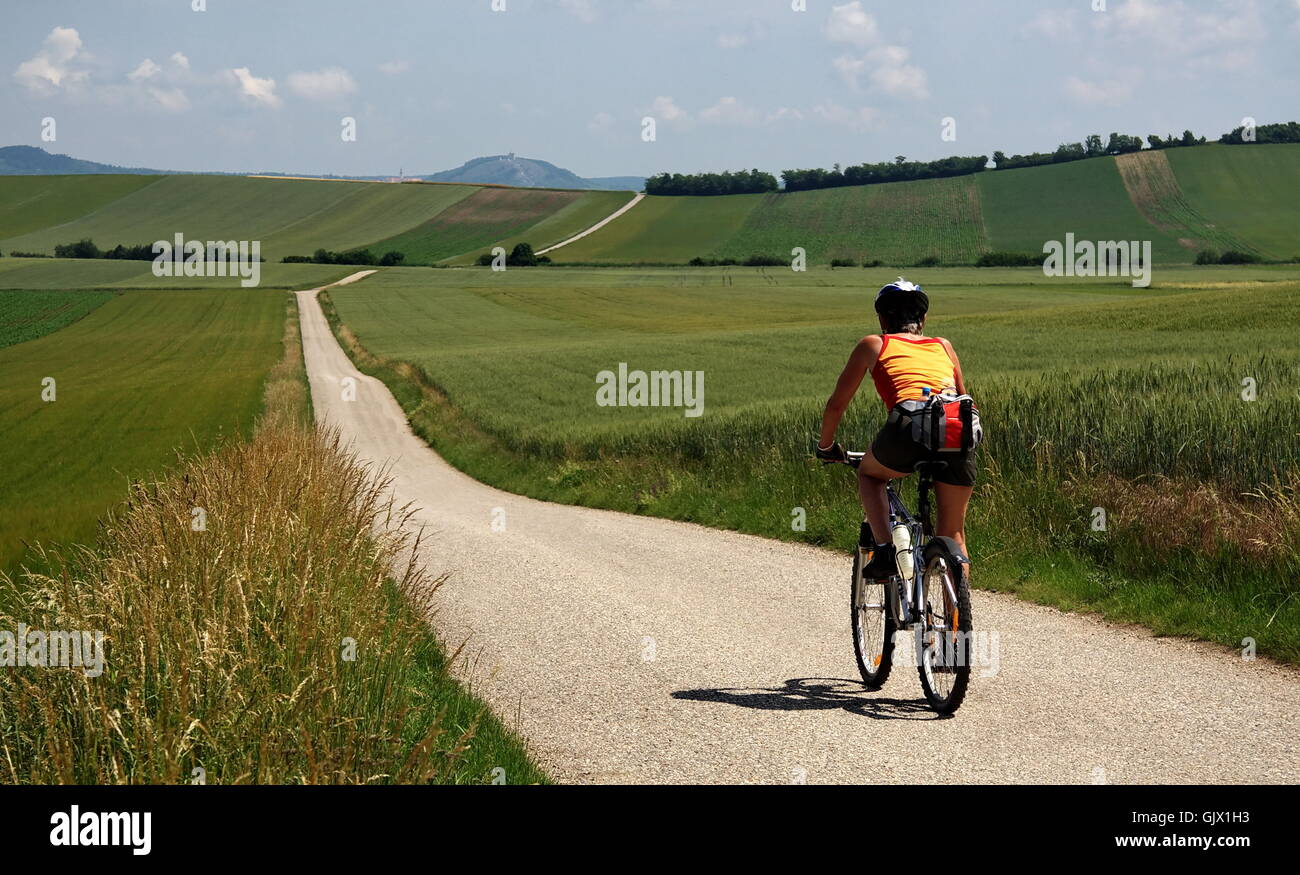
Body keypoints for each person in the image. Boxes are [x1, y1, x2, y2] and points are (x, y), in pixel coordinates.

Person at [815, 278, 975, 580]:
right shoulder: (944, 346)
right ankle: (958, 620)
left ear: (882, 318)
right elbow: (962, 397)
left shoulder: (873, 344)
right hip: (958, 430)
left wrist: (826, 447)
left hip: (908, 427)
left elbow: (836, 405)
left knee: (869, 473)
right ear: (923, 319)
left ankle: (887, 549)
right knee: (953, 533)